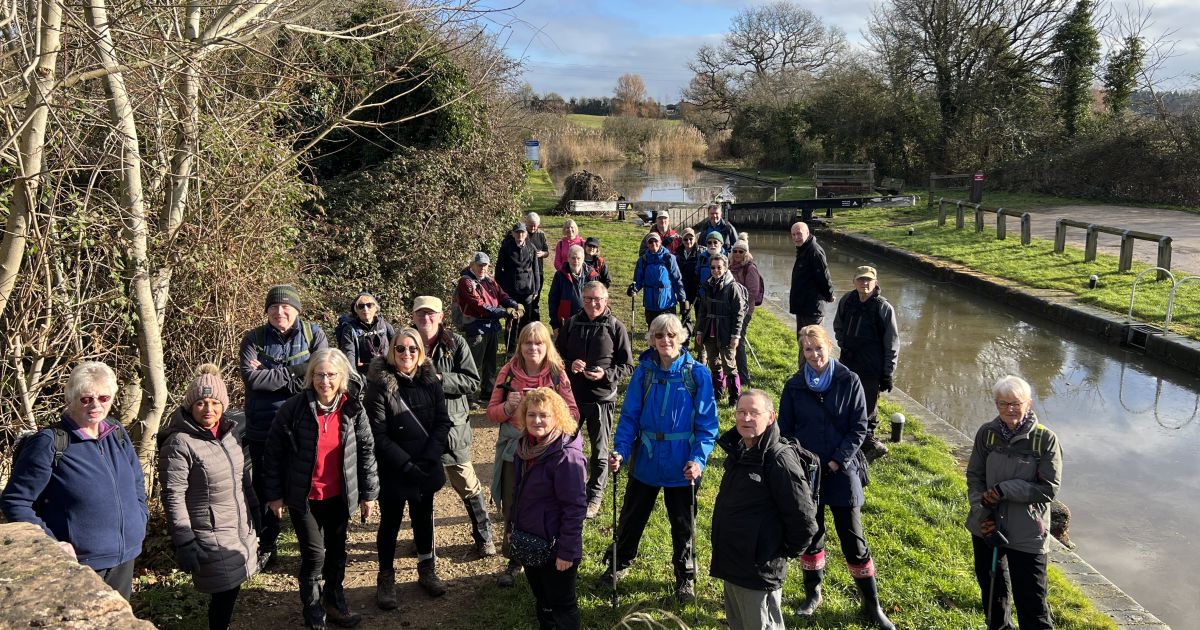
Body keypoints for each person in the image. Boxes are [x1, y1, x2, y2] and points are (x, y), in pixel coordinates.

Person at [777, 325, 895, 629]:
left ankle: (872, 605)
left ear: (829, 347)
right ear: (802, 352)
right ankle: (812, 594)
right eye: (808, 350)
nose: (814, 356)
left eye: (819, 349)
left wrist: (836, 461)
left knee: (853, 539)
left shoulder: (849, 380)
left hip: (842, 470)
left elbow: (859, 427)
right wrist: (802, 462)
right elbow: (786, 431)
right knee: (811, 534)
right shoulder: (793, 386)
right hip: (807, 473)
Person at [1, 362, 148, 601]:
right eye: (86, 399)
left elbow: (136, 481)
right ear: (71, 398)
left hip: (125, 557)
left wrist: (140, 518)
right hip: (81, 565)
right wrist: (51, 544)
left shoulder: (117, 433)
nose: (96, 406)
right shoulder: (50, 443)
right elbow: (15, 501)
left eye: (103, 397)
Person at [605, 314, 719, 603]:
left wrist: (699, 459)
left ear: (680, 337)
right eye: (659, 336)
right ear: (652, 339)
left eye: (670, 335)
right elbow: (629, 416)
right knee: (632, 516)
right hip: (646, 459)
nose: (665, 341)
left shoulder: (697, 374)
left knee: (683, 524)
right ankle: (619, 563)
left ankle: (685, 576)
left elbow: (707, 425)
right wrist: (621, 450)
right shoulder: (644, 372)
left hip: (682, 464)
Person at [263, 348, 379, 630]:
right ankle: (313, 612)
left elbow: (366, 451)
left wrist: (368, 494)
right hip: (305, 497)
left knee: (337, 552)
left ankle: (334, 602)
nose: (324, 381)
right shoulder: (294, 409)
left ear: (341, 377)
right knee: (315, 555)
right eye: (318, 374)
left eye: (330, 375)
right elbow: (273, 452)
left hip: (339, 495)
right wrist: (274, 495)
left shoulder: (352, 408)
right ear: (311, 376)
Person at [158, 364, 258, 630]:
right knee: (224, 594)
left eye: (214, 402)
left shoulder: (228, 433)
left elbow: (240, 477)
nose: (208, 409)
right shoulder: (179, 443)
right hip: (208, 531)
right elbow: (172, 495)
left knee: (231, 589)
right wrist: (185, 541)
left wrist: (255, 510)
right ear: (190, 405)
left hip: (236, 525)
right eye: (201, 403)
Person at [711, 390, 819, 630]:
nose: (746, 418)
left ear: (771, 417)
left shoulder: (779, 460)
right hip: (732, 564)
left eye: (753, 413)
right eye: (741, 412)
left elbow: (805, 521)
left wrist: (775, 554)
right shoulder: (739, 451)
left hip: (758, 572)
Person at [240, 284, 329, 565]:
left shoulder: (314, 334)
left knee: (311, 481)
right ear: (267, 311)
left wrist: (272, 374)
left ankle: (315, 544)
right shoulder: (253, 339)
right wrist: (298, 373)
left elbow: (321, 373)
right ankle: (267, 544)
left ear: (297, 310)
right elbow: (253, 380)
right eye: (274, 307)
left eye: (286, 307)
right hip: (263, 426)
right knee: (267, 484)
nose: (280, 312)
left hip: (304, 423)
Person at [365, 328, 454, 607]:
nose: (406, 354)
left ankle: (426, 570)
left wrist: (427, 459)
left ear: (421, 353)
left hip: (425, 465)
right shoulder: (379, 385)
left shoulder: (431, 382)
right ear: (392, 351)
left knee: (423, 518)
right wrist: (405, 464)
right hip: (394, 468)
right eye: (401, 349)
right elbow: (377, 433)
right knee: (390, 522)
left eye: (412, 349)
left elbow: (442, 422)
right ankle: (386, 577)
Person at [487, 321, 580, 587]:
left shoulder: (556, 374)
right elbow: (492, 412)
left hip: (547, 453)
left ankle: (546, 551)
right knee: (512, 503)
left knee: (541, 504)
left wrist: (550, 407)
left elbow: (573, 414)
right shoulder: (508, 372)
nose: (533, 348)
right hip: (514, 451)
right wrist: (508, 407)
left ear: (547, 345)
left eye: (539, 343)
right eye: (527, 343)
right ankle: (515, 557)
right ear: (520, 346)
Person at [966, 376, 1062, 630]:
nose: (1009, 409)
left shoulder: (1045, 440)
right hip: (987, 527)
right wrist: (981, 514)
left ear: (1028, 403)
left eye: (1015, 403)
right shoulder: (987, 434)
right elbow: (974, 477)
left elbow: (1048, 489)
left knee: (1032, 603)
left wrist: (1003, 490)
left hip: (1027, 533)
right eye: (1002, 403)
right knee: (992, 595)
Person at [411, 296, 495, 558]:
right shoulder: (405, 344)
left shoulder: (455, 343)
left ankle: (484, 537)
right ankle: (423, 540)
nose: (426, 318)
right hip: (416, 429)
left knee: (466, 482)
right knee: (421, 488)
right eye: (421, 314)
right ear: (413, 317)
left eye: (431, 314)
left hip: (451, 427)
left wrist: (440, 379)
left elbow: (472, 381)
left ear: (441, 316)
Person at [507, 388, 587, 630]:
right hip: (530, 539)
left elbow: (575, 508)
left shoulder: (566, 456)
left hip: (555, 547)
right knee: (543, 600)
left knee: (562, 605)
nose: (537, 421)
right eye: (531, 415)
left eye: (544, 415)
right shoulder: (524, 447)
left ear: (557, 417)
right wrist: (512, 526)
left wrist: (567, 552)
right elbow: (517, 492)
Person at [554, 281, 634, 518]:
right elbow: (556, 356)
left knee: (600, 451)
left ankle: (595, 495)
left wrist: (606, 374)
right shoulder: (571, 324)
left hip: (602, 399)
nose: (592, 303)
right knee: (565, 448)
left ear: (606, 300)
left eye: (597, 299)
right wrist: (570, 364)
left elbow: (627, 366)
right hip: (572, 399)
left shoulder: (615, 327)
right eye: (588, 299)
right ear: (582, 299)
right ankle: (569, 491)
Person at [833, 266, 899, 463]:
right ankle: (851, 440)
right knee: (847, 401)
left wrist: (887, 372)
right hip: (848, 363)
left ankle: (871, 446)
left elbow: (892, 342)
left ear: (875, 282)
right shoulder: (847, 301)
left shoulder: (883, 308)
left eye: (868, 280)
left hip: (871, 368)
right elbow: (838, 325)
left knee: (868, 408)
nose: (864, 283)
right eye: (861, 279)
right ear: (854, 281)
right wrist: (843, 342)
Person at [455, 251, 523, 403]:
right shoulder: (465, 282)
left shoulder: (490, 280)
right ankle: (468, 397)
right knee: (473, 364)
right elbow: (479, 305)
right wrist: (504, 312)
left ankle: (487, 392)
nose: (482, 268)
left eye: (485, 265)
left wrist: (514, 304)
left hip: (491, 327)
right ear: (472, 265)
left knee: (490, 363)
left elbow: (502, 295)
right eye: (479, 265)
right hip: (476, 327)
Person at [695, 253, 748, 407]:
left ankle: (734, 397)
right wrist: (699, 331)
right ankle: (718, 393)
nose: (716, 270)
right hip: (709, 331)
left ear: (726, 268)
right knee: (714, 364)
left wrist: (735, 335)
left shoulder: (733, 287)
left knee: (729, 365)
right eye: (713, 267)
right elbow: (703, 311)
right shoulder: (708, 284)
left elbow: (739, 314)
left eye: (719, 267)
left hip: (726, 332)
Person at [627, 231, 687, 326]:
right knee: (653, 333)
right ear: (647, 244)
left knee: (669, 332)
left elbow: (677, 280)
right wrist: (633, 289)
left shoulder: (669, 258)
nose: (653, 244)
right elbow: (638, 281)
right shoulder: (643, 260)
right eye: (650, 242)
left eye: (656, 241)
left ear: (660, 242)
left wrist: (682, 300)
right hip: (650, 305)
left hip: (668, 303)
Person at [729, 237, 764, 389]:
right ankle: (731, 371)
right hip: (729, 309)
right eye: (735, 251)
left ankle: (744, 377)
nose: (737, 254)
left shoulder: (750, 268)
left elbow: (753, 292)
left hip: (745, 310)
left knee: (739, 340)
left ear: (746, 253)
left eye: (741, 251)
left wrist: (737, 302)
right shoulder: (729, 266)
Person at [496, 222, 541, 336]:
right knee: (511, 319)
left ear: (526, 234)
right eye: (517, 232)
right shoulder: (506, 248)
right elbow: (498, 269)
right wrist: (500, 289)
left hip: (527, 290)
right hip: (511, 290)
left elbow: (536, 269)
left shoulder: (531, 248)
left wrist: (536, 289)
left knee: (526, 320)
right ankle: (510, 350)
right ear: (513, 233)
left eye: (522, 232)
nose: (520, 235)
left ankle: (523, 346)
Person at [336, 292, 395, 376]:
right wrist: (354, 377)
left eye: (369, 305)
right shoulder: (349, 330)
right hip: (363, 375)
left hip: (387, 373)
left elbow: (395, 349)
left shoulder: (386, 326)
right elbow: (349, 354)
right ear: (356, 310)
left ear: (376, 308)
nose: (365, 309)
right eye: (361, 306)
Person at [548, 244, 599, 332]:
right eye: (573, 258)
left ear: (583, 259)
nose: (576, 261)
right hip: (566, 322)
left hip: (588, 321)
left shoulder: (592, 276)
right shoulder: (560, 275)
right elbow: (553, 300)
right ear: (568, 258)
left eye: (578, 258)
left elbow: (598, 299)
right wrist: (555, 324)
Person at [525, 212, 551, 323]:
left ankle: (535, 322)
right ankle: (525, 322)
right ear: (526, 223)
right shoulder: (522, 234)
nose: (533, 228)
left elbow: (547, 252)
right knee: (525, 299)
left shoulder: (541, 234)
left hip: (538, 272)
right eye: (531, 225)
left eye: (535, 225)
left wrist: (542, 254)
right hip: (525, 273)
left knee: (536, 299)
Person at [696, 232, 725, 296]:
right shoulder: (702, 258)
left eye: (715, 242)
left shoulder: (727, 258)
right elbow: (697, 275)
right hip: (704, 295)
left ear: (721, 244)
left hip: (720, 296)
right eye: (709, 242)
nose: (712, 245)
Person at [677, 228, 701, 303]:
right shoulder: (677, 253)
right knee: (685, 313)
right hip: (684, 289)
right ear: (682, 240)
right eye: (685, 239)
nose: (688, 241)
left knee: (699, 313)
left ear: (695, 239)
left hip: (697, 290)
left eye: (691, 239)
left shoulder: (701, 252)